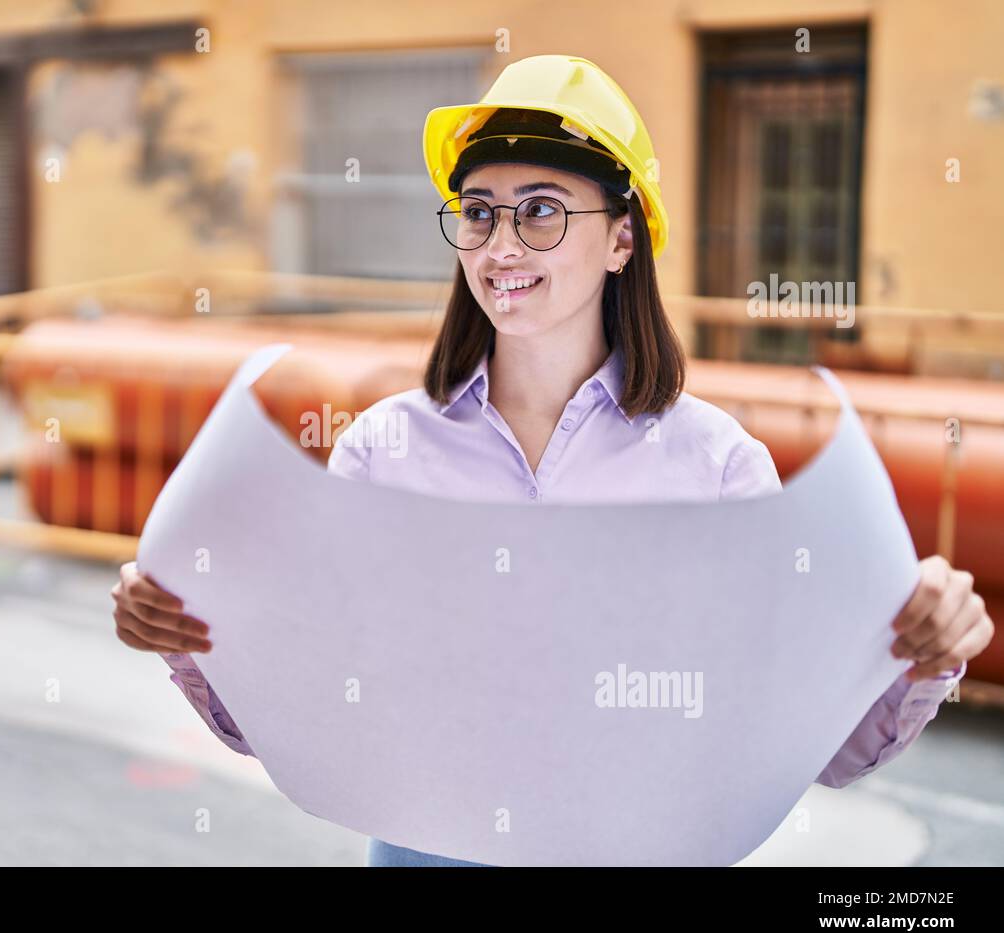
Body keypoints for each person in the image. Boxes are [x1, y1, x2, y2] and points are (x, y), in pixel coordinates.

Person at [111, 55, 994, 866]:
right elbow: (310, 713)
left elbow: (824, 748)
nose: (500, 247)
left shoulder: (718, 468)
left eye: (540, 211)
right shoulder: (382, 452)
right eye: (480, 213)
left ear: (621, 239)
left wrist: (923, 652)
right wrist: (191, 635)